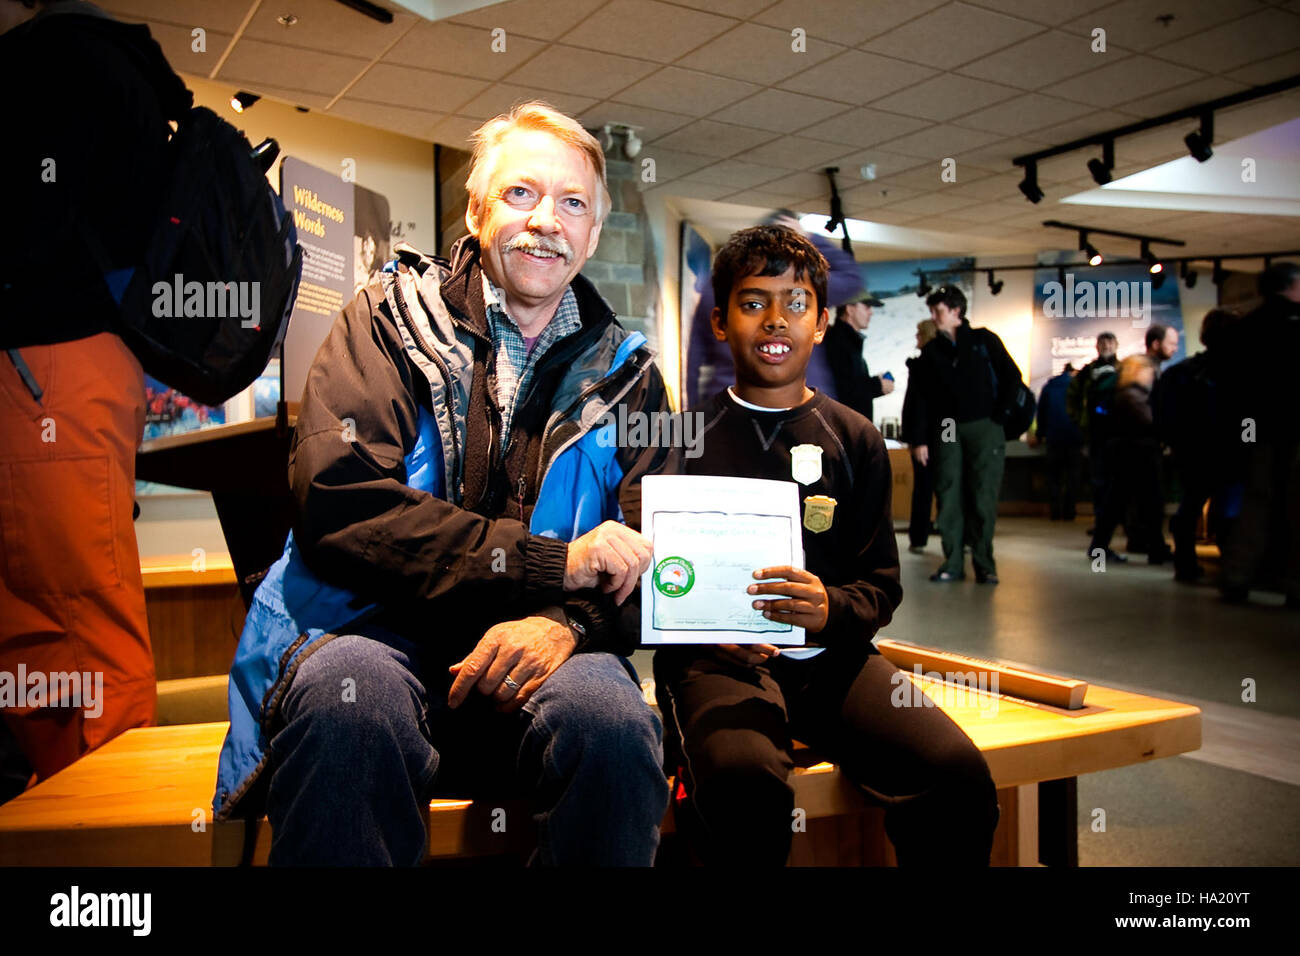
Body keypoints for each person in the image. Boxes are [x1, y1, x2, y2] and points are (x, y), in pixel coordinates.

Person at [212, 103, 674, 865]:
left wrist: (572, 624)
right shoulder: (385, 322)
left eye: (572, 203)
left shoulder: (632, 378)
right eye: (520, 194)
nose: (545, 222)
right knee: (346, 705)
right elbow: (344, 505)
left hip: (548, 642)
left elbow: (656, 560)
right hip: (373, 630)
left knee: (614, 726)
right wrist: (554, 562)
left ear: (591, 233)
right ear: (476, 210)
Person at [653, 225, 998, 866]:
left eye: (797, 303)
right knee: (740, 776)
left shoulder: (855, 439)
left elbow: (880, 584)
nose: (776, 320)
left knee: (953, 772)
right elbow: (654, 573)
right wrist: (696, 628)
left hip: (832, 661)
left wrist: (830, 608)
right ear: (723, 322)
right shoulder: (679, 439)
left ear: (822, 321)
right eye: (753, 302)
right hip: (719, 664)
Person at [0, 0, 190, 801]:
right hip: (69, 363)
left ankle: (106, 842)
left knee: (71, 617)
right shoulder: (106, 69)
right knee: (56, 617)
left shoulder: (56, 65)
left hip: (45, 361)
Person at [685, 210, 864, 409]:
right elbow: (852, 278)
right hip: (798, 406)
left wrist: (694, 417)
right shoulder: (801, 283)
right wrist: (809, 238)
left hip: (729, 405)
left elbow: (694, 362)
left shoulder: (716, 287)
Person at [909, 285, 1023, 584]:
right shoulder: (932, 351)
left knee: (983, 494)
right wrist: (919, 439)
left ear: (956, 311)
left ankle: (984, 563)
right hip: (947, 428)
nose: (934, 316)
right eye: (932, 311)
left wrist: (1001, 416)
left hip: (985, 425)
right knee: (948, 493)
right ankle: (953, 563)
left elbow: (1013, 376)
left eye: (939, 311)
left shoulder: (985, 340)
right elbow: (921, 398)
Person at [1220, 262, 1300, 607]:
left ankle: (1237, 575)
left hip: (1254, 428)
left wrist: (1243, 434)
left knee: (1255, 502)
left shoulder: (1245, 327)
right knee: (1295, 506)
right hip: (1293, 428)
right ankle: (1295, 585)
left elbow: (1233, 388)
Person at [1152, 309, 1239, 582]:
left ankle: (1186, 565)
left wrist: (1175, 442)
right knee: (1228, 508)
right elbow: (1249, 416)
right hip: (1230, 451)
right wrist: (1251, 443)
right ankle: (1234, 571)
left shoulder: (1180, 373)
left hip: (1191, 451)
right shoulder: (1242, 372)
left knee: (1190, 507)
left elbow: (1162, 414)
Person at [1088, 356, 1170, 564]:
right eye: (1149, 371)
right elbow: (1151, 422)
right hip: (1139, 455)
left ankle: (1100, 547)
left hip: (1123, 454)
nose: (1152, 375)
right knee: (1150, 503)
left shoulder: (1123, 393)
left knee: (1116, 503)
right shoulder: (1133, 395)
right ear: (1138, 371)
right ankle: (1156, 549)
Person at [1067, 332, 1119, 518]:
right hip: (1094, 434)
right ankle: (1101, 522)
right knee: (1098, 480)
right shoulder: (1086, 372)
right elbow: (1072, 397)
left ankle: (1119, 521)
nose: (1106, 346)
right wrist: (1078, 419)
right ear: (1096, 346)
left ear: (1116, 345)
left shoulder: (1123, 369)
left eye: (1110, 342)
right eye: (1102, 342)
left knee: (1119, 478)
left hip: (1119, 433)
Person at [825, 290, 894, 423]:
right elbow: (841, 391)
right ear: (850, 309)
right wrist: (877, 385)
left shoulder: (847, 342)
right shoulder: (837, 343)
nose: (871, 312)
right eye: (867, 306)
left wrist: (876, 384)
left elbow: (851, 383)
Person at [901, 319, 938, 552]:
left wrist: (918, 439)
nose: (916, 337)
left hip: (929, 438)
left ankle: (919, 536)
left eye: (919, 333)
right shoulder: (930, 363)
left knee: (924, 487)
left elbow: (918, 405)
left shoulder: (925, 364)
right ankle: (921, 536)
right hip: (938, 437)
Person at [1035, 364, 1084, 521]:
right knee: (1073, 477)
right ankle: (1069, 511)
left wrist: (1040, 434)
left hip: (1054, 438)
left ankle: (1055, 511)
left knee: (1053, 477)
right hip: (1074, 438)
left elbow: (1041, 413)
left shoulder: (1049, 387)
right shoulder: (1078, 388)